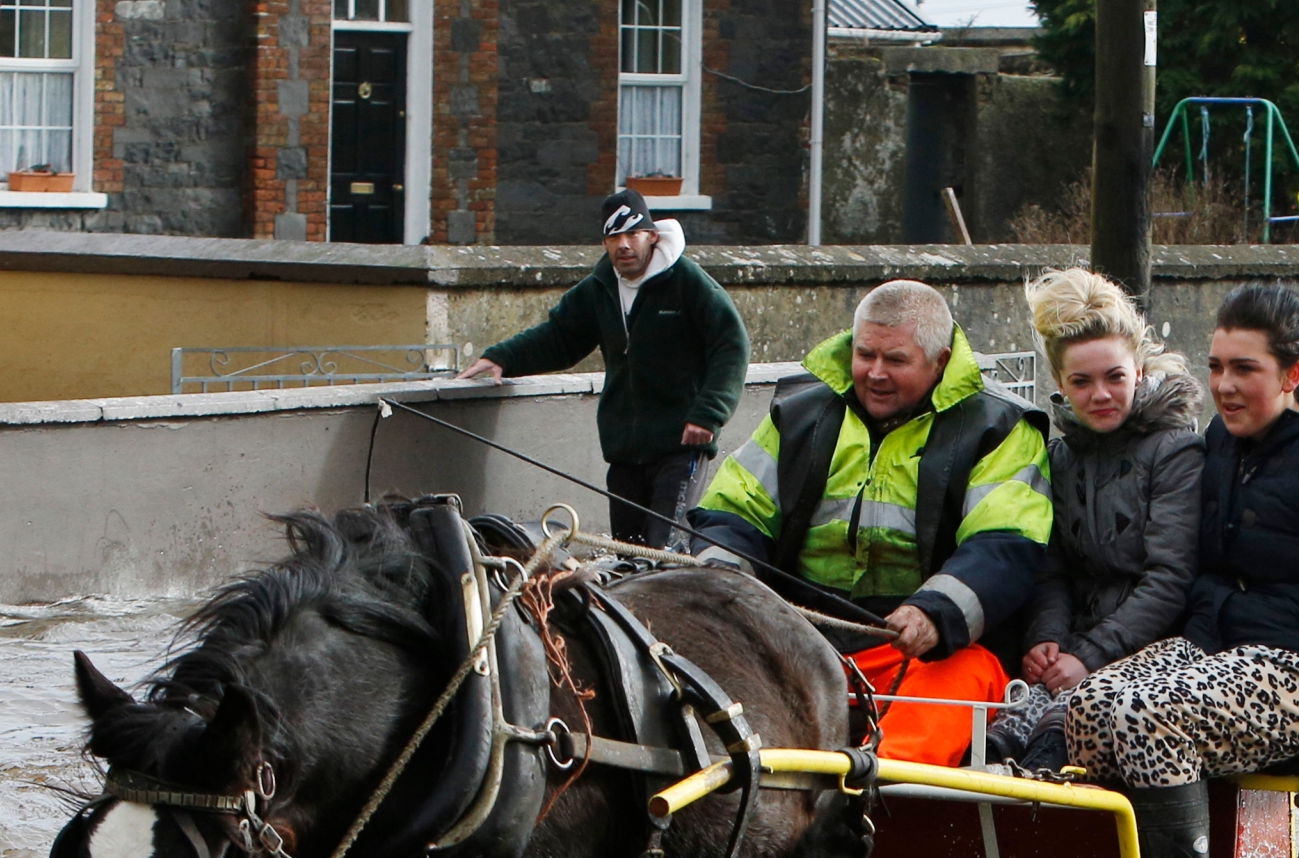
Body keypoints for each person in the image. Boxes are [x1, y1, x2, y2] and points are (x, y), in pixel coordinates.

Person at [1064, 283, 1299, 858]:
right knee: (1090, 703)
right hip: (1218, 645)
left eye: (1244, 369)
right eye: (1217, 367)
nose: (1223, 385)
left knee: (1145, 715)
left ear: (1292, 375)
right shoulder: (1223, 441)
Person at [688, 279, 1053, 766]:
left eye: (896, 361)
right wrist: (723, 583)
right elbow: (732, 511)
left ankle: (869, 798)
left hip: (931, 651)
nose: (875, 373)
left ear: (940, 362)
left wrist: (933, 612)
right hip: (796, 639)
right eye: (865, 356)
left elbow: (1006, 544)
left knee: (964, 677)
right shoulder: (797, 415)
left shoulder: (1002, 426)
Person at [987, 268, 1205, 771]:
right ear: (1061, 384)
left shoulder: (1176, 452)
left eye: (1115, 378)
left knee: (1059, 725)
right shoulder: (1059, 458)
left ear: (1140, 373)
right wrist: (1046, 641)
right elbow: (1053, 571)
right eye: (1081, 382)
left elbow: (1170, 581)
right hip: (1080, 643)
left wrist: (1085, 657)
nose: (1100, 395)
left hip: (1156, 648)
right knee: (1008, 720)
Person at [456, 189, 751, 547]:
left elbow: (731, 345)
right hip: (624, 451)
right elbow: (560, 337)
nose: (624, 245)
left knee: (663, 553)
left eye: (633, 234)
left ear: (652, 236)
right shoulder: (599, 288)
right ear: (604, 242)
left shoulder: (689, 284)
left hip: (680, 446)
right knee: (626, 551)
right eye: (614, 237)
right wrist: (502, 357)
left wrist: (708, 414)